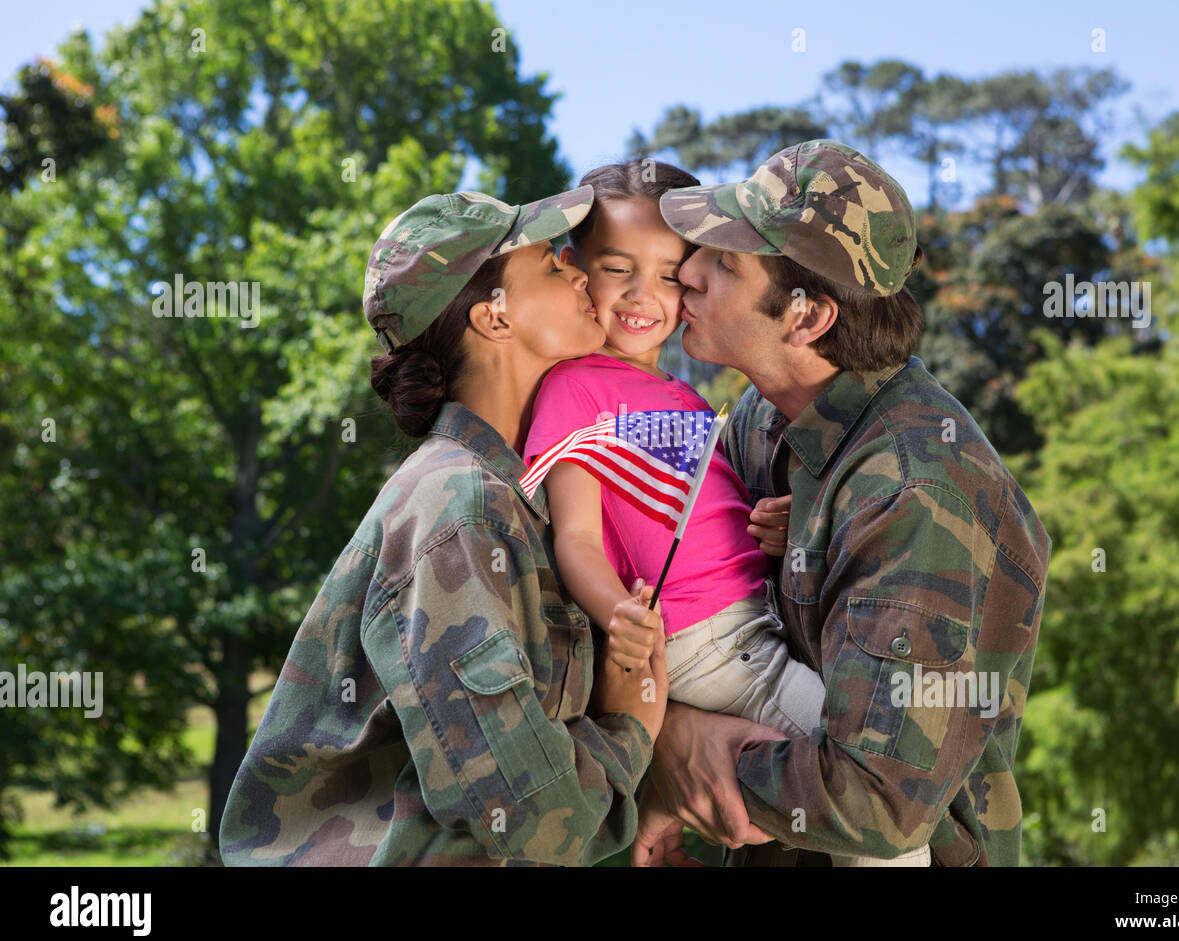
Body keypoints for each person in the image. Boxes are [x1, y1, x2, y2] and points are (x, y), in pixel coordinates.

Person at [631, 139, 1052, 867]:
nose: (688, 271)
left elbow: (875, 801)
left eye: (726, 263)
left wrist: (673, 746)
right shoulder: (763, 420)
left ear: (807, 318)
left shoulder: (915, 491)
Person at [219, 186, 668, 866]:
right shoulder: (459, 505)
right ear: (494, 316)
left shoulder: (525, 494)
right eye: (550, 264)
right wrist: (630, 729)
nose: (580, 270)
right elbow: (531, 820)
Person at [523, 160, 824, 740]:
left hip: (754, 616)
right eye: (617, 268)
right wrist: (619, 614)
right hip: (704, 635)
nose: (644, 296)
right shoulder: (575, 387)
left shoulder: (680, 394)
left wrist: (769, 530)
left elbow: (703, 514)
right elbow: (578, 536)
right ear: (574, 268)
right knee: (853, 740)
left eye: (669, 276)